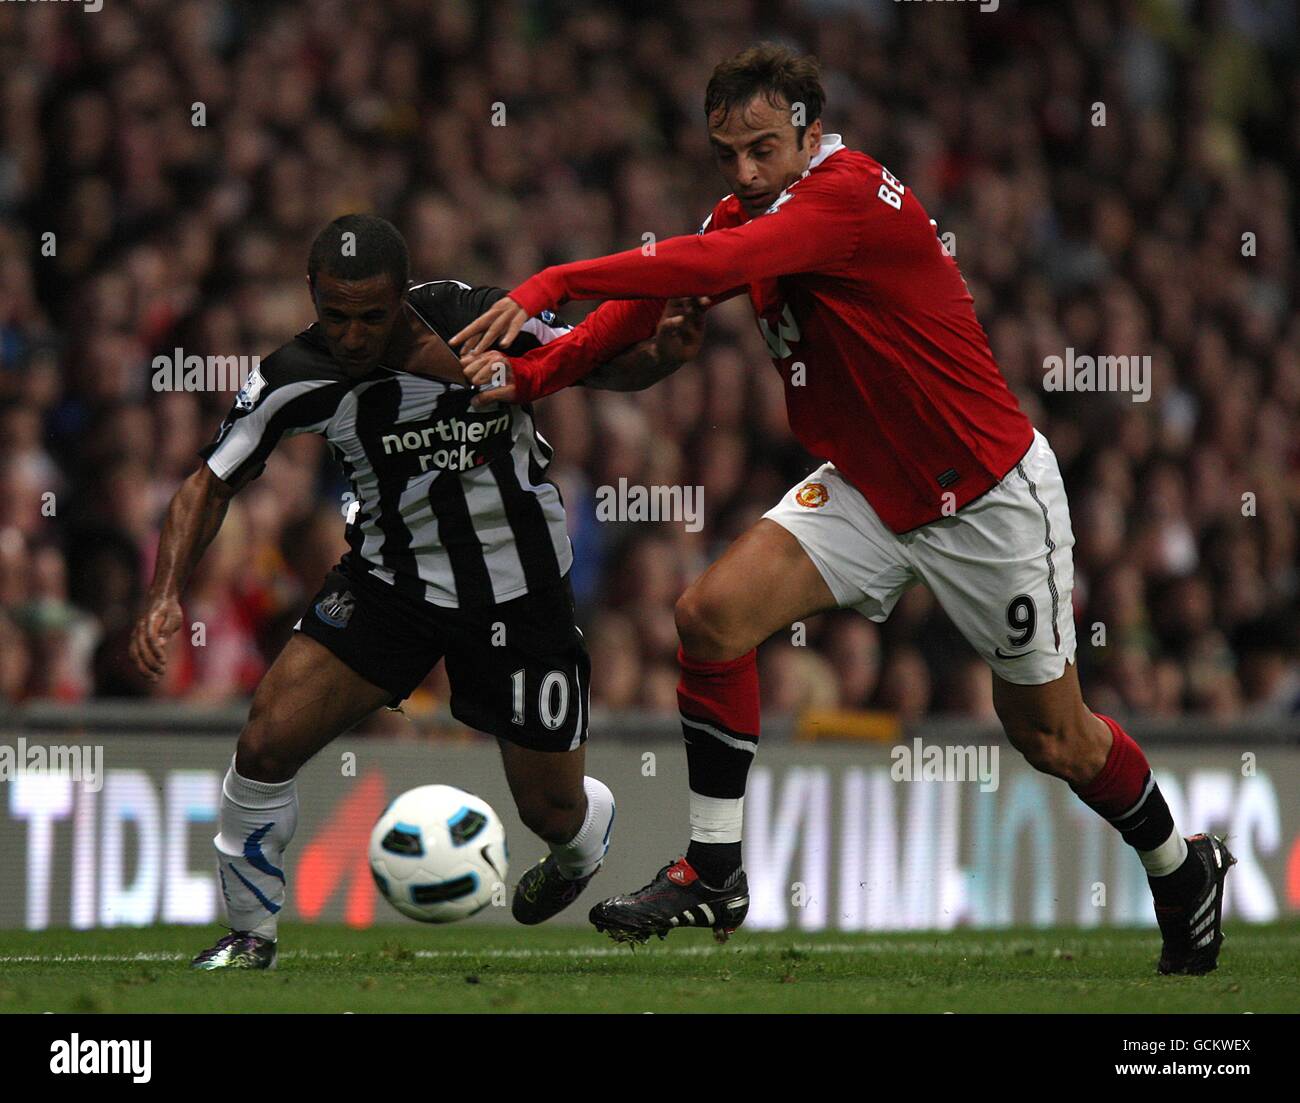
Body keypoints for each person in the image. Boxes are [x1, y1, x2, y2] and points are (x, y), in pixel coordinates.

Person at [452, 46, 1234, 974]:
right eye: (727, 154)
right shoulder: (752, 207)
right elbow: (651, 297)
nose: (744, 173)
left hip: (984, 496)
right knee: (709, 617)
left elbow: (720, 258)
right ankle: (713, 869)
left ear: (811, 134)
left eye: (763, 149)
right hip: (869, 482)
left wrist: (551, 281)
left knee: (1053, 736)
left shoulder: (846, 197)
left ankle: (1179, 868)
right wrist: (535, 374)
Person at [129, 214, 704, 969]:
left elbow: (594, 361)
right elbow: (208, 483)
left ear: (404, 294)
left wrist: (661, 355)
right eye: (336, 315)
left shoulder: (478, 320)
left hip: (518, 587)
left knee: (550, 808)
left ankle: (579, 843)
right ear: (312, 296)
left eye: (372, 316)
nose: (355, 335)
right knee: (265, 740)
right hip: (389, 585)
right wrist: (164, 592)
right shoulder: (294, 375)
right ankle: (249, 935)